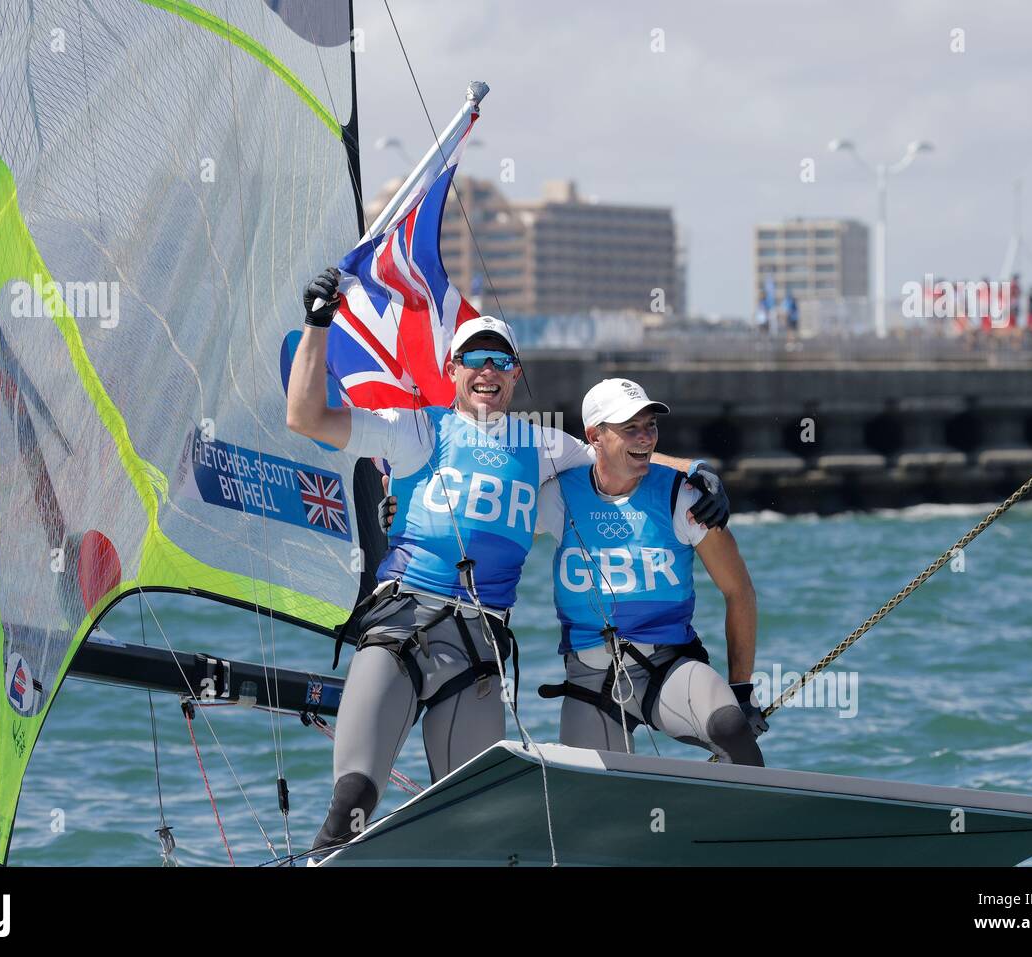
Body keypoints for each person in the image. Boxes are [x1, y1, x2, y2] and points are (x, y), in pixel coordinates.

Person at [285, 267, 733, 854]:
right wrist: (318, 324)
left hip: (477, 651)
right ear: (452, 371)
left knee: (474, 829)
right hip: (401, 631)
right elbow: (306, 417)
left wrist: (698, 475)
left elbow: (621, 454)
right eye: (474, 358)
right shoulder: (417, 429)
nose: (487, 371)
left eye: (500, 361)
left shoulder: (546, 444)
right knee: (353, 800)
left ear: (516, 375)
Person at [535, 378, 766, 765]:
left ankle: (753, 820)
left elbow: (738, 591)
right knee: (589, 798)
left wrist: (741, 688)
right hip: (590, 681)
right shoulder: (555, 496)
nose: (645, 437)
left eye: (651, 426)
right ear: (595, 436)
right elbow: (490, 534)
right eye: (630, 429)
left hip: (667, 668)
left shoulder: (686, 497)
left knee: (728, 727)